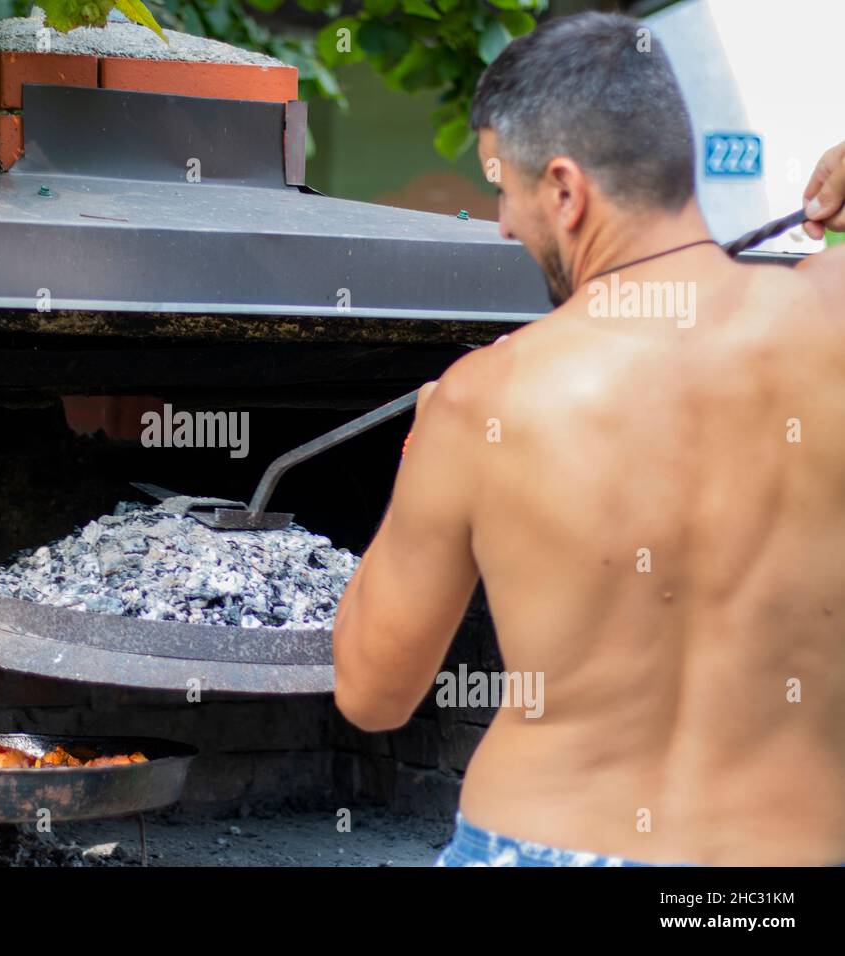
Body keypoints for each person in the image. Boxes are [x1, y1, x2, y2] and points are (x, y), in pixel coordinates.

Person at [332, 11, 845, 866]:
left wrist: (424, 440)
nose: (501, 224)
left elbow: (372, 694)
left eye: (503, 189)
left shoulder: (482, 398)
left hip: (545, 844)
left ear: (565, 190)